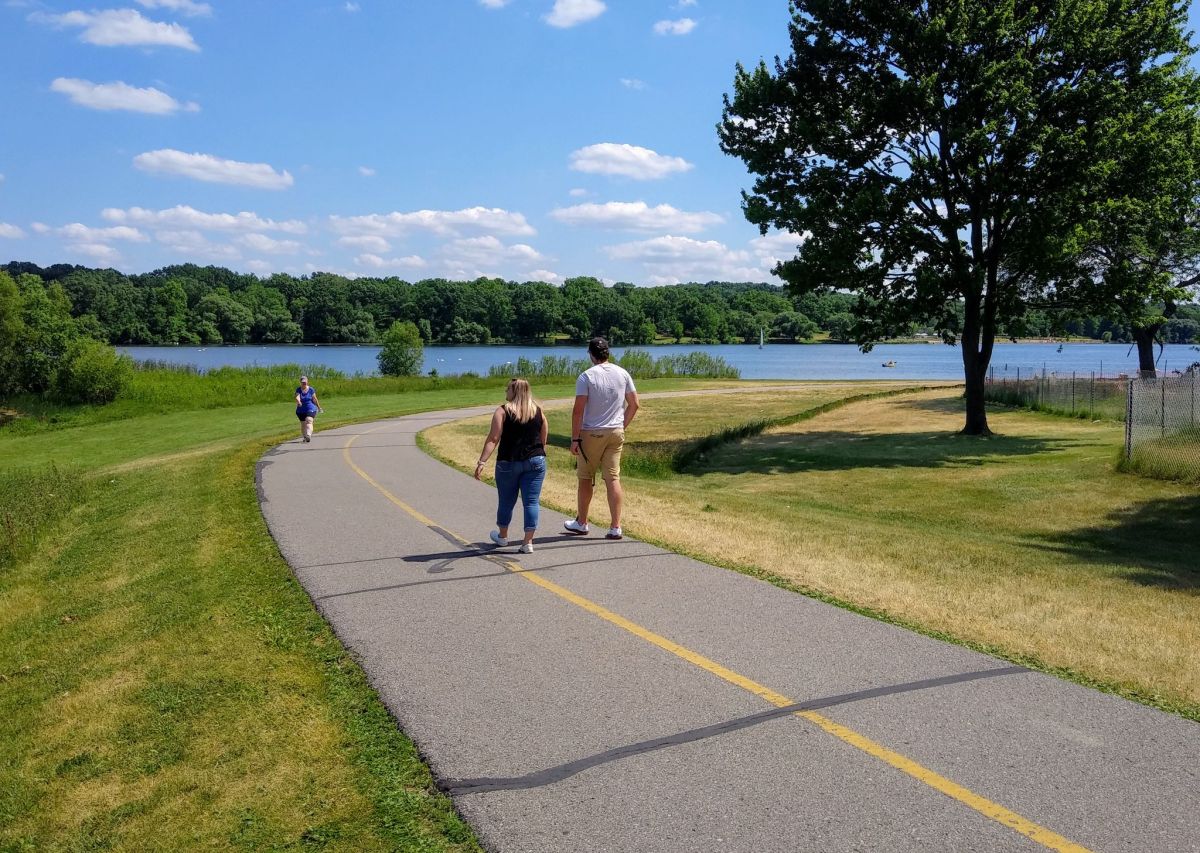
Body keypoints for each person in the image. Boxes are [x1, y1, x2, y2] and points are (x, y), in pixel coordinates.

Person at [564, 337, 639, 540]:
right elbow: (634, 404)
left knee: (586, 477)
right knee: (612, 478)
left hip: (592, 432)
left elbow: (578, 411)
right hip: (615, 432)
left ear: (591, 355)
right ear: (608, 353)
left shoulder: (586, 377)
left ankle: (582, 522)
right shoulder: (622, 373)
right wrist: (621, 425)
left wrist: (574, 438)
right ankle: (615, 526)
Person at [475, 378, 548, 554]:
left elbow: (493, 438)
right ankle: (527, 542)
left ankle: (503, 536)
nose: (505, 392)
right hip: (535, 461)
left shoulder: (502, 411)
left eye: (507, 389)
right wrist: (539, 451)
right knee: (531, 502)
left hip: (508, 461)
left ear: (514, 392)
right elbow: (544, 432)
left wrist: (482, 461)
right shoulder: (537, 410)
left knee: (506, 501)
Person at [294, 375, 322, 442]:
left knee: (309, 420)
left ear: (307, 381)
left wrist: (319, 407)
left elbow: (314, 399)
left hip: (310, 408)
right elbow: (297, 397)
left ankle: (308, 435)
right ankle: (305, 437)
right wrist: (299, 401)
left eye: (305, 382)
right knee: (303, 424)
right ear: (300, 382)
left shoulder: (311, 389)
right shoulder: (298, 389)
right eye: (302, 382)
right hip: (300, 410)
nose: (304, 383)